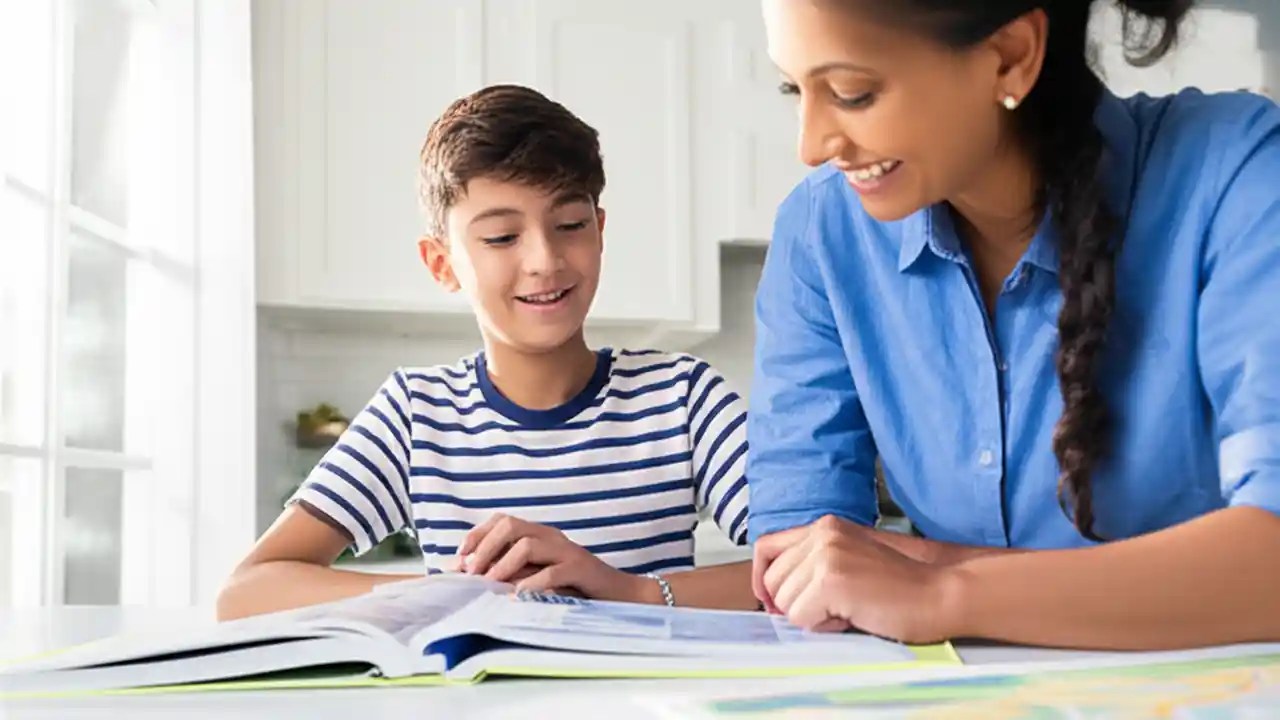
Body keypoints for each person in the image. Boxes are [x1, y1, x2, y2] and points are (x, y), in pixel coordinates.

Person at [748, 0, 1280, 649]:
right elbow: (799, 569)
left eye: (853, 93)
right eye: (792, 89)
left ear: (1011, 56)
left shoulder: (1235, 168)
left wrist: (942, 589)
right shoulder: (820, 232)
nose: (811, 146)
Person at [217, 85, 753, 620]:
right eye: (501, 237)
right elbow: (247, 592)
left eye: (570, 225)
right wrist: (449, 597)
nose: (545, 260)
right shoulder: (415, 413)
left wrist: (628, 591)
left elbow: (816, 567)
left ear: (600, 230)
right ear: (441, 263)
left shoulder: (682, 398)